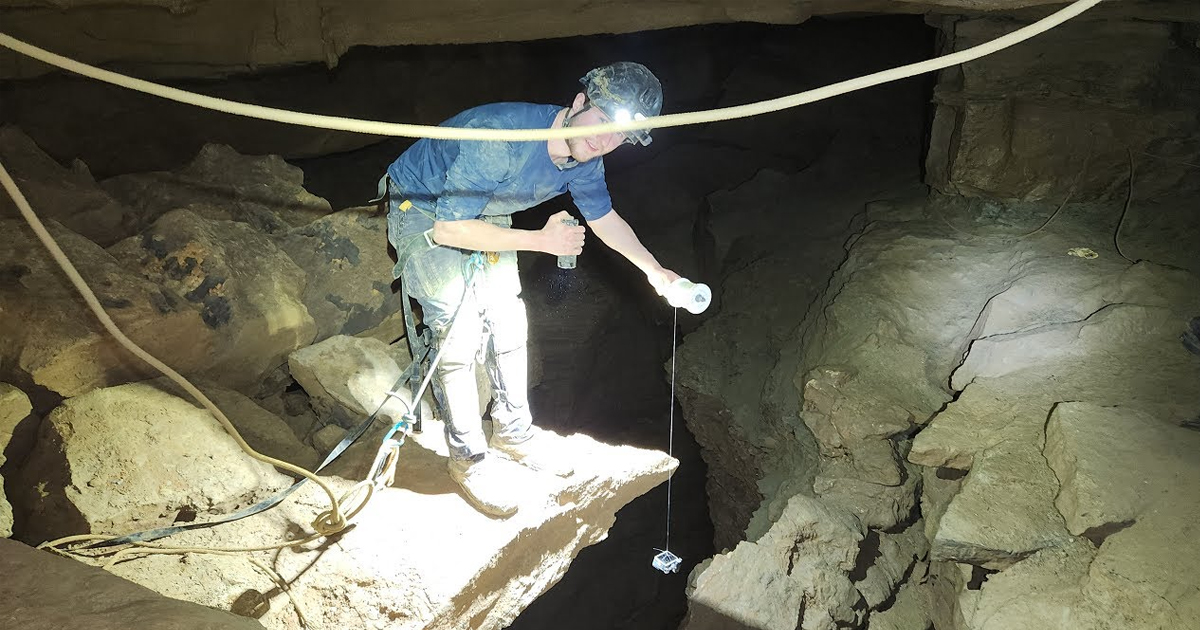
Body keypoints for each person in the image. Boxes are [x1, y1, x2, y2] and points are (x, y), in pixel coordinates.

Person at [382, 62, 680, 517]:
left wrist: (656, 272)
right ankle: (468, 460)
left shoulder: (584, 155)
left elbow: (603, 219)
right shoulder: (501, 138)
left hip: (483, 210)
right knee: (459, 335)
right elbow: (449, 229)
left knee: (508, 320)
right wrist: (540, 241)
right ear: (580, 103)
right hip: (424, 207)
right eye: (603, 122)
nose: (604, 141)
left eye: (620, 136)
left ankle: (514, 434)